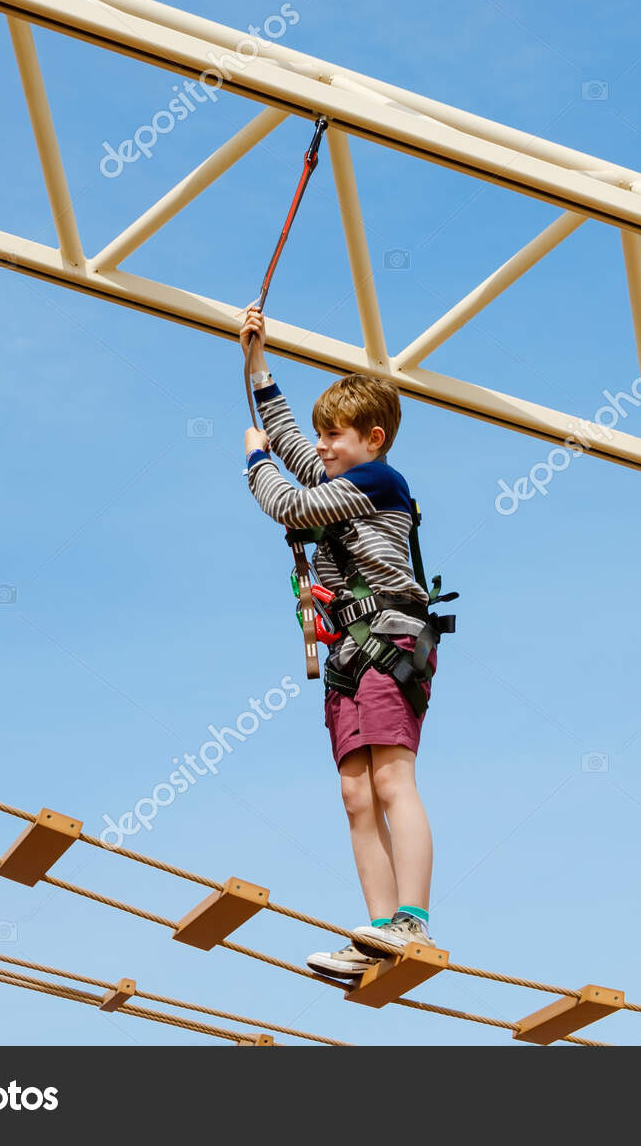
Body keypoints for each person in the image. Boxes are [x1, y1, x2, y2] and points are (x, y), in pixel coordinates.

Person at [239, 304, 440, 978]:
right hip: (347, 653)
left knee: (391, 778)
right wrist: (259, 363)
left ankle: (413, 918)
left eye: (336, 435)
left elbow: (289, 500)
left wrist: (255, 462)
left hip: (389, 637)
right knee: (357, 794)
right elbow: (295, 443)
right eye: (324, 434)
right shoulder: (339, 470)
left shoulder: (380, 481)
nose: (321, 446)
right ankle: (379, 932)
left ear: (373, 437)